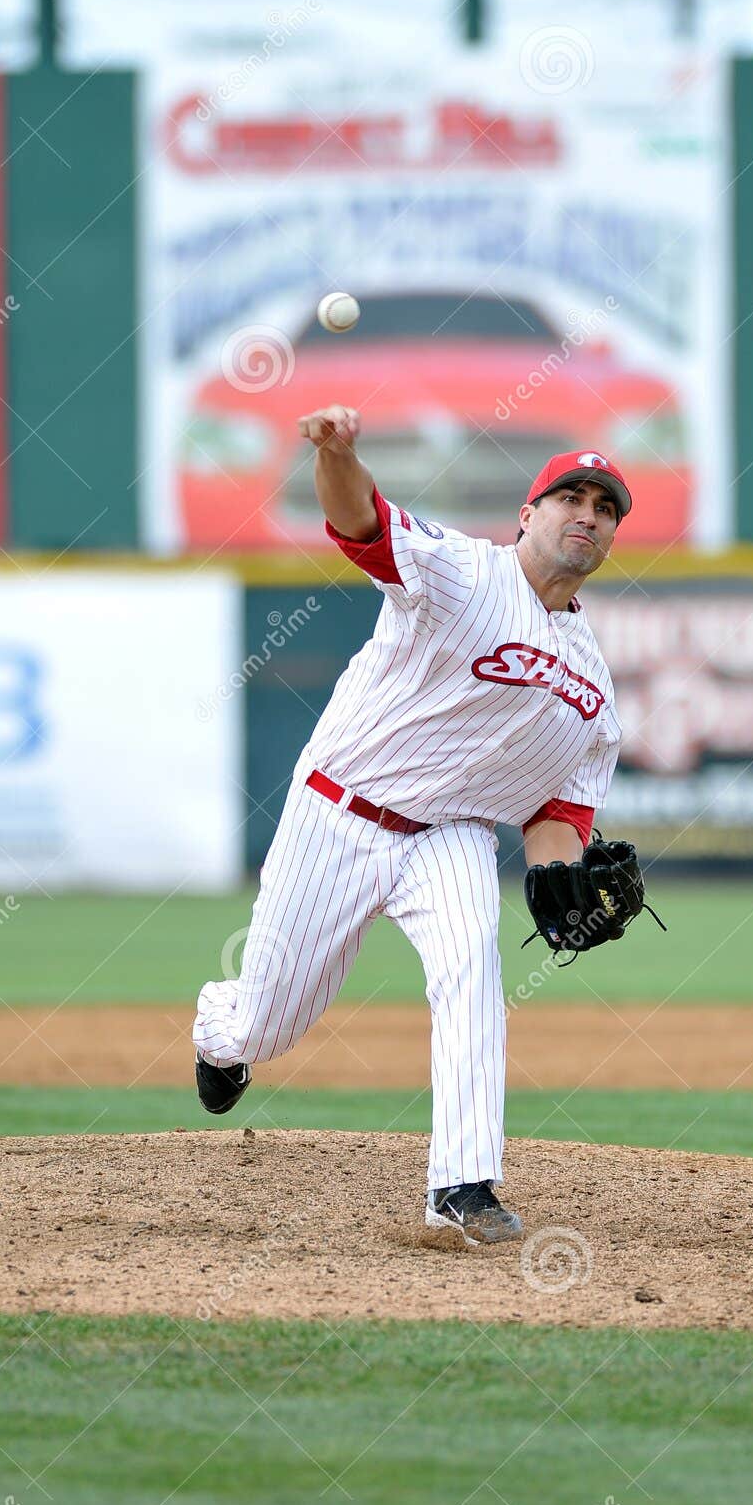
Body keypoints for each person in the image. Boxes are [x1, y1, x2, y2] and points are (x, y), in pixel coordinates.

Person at [193, 405, 630, 1246]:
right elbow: (361, 523)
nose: (587, 514)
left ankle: (462, 1187)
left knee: (472, 964)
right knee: (269, 1021)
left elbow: (561, 810)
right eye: (570, 496)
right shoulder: (462, 571)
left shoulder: (593, 686)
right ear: (528, 515)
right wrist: (337, 454)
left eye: (605, 507)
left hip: (452, 833)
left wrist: (554, 873)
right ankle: (222, 1033)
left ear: (611, 538)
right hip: (341, 809)